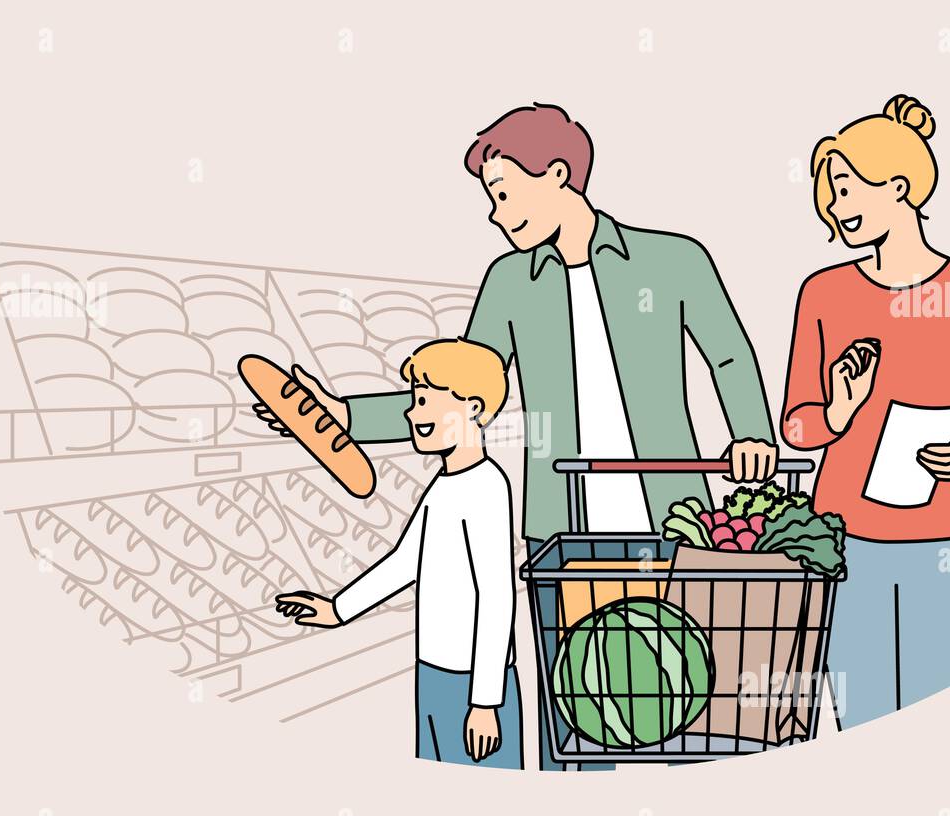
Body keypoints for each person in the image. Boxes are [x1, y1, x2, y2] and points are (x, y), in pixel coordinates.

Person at [258, 104, 779, 769]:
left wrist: (751, 435)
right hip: (562, 529)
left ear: (559, 175)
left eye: (503, 194)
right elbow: (459, 389)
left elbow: (728, 354)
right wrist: (346, 417)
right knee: (578, 713)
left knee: (682, 698)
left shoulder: (674, 261)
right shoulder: (510, 283)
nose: (496, 214)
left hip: (674, 518)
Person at [781, 95, 950, 729]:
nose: (836, 208)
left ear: (899, 187)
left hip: (946, 530)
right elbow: (798, 426)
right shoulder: (824, 294)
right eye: (830, 194)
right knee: (858, 715)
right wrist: (837, 411)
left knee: (934, 709)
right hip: (844, 531)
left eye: (847, 188)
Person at [275, 339, 523, 768]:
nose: (412, 413)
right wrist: (338, 609)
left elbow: (497, 596)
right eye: (413, 401)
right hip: (434, 671)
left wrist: (485, 703)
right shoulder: (445, 486)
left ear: (473, 408)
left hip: (474, 684)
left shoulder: (487, 488)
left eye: (425, 400)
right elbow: (405, 561)